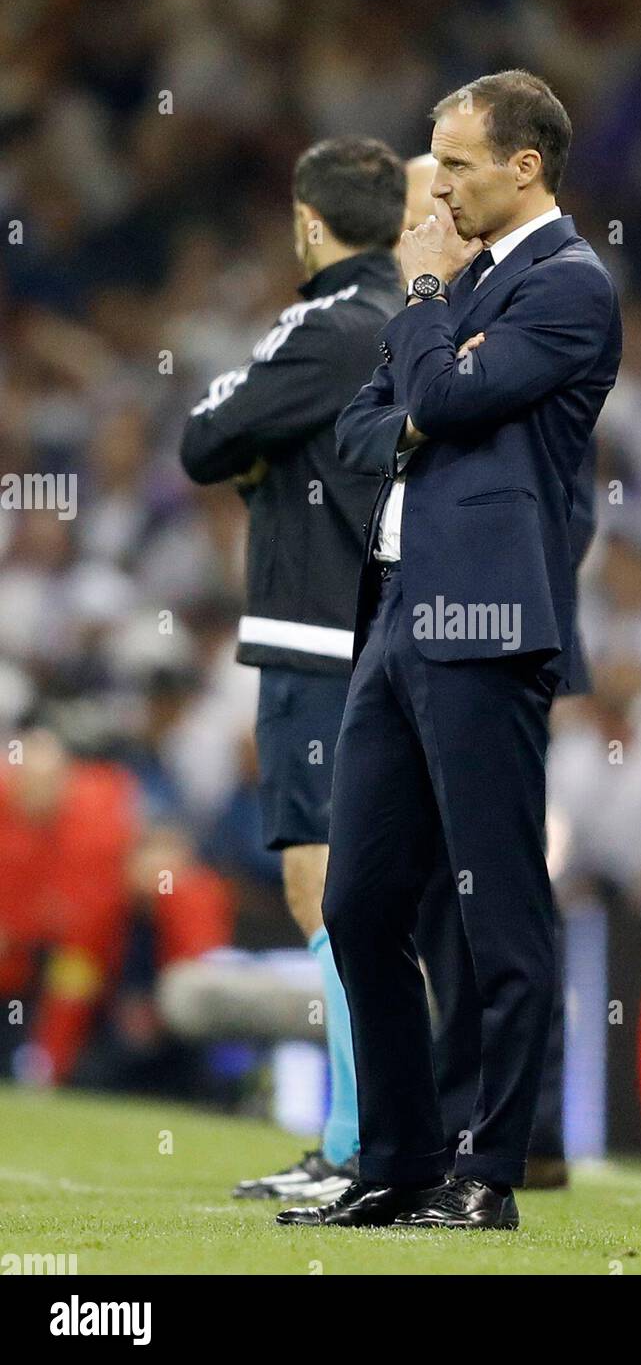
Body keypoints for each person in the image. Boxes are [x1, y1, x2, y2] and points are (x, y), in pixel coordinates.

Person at [279, 70, 621, 1231]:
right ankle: (398, 1161)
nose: (441, 186)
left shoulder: (570, 288)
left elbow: (426, 385)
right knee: (362, 905)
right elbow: (366, 423)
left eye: (458, 163)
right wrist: (431, 380)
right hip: (392, 618)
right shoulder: (465, 288)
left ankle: (490, 1173)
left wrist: (425, 324)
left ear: (524, 166)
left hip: (482, 625)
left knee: (495, 911)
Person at [181, 137, 406, 1199]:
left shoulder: (325, 323)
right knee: (372, 897)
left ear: (309, 222)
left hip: (315, 638)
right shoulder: (408, 319)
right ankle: (379, 1137)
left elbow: (205, 436)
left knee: (324, 890)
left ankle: (364, 1145)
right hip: (383, 628)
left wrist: (256, 456)